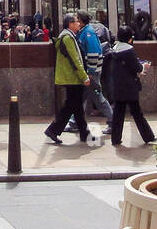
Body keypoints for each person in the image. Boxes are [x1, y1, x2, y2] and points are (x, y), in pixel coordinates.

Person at [43, 13, 92, 145]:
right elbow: (75, 59)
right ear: (70, 24)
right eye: (76, 21)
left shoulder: (68, 36)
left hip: (70, 77)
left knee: (76, 106)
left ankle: (84, 133)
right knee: (71, 105)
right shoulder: (67, 38)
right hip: (71, 78)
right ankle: (53, 130)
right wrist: (84, 76)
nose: (78, 23)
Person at [106, 26, 155, 146]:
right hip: (130, 87)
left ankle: (115, 139)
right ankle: (148, 136)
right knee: (137, 113)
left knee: (118, 114)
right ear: (129, 38)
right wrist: (143, 66)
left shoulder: (114, 50)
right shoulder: (129, 50)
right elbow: (136, 67)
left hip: (118, 86)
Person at [74, 8, 113, 125]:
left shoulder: (88, 33)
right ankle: (74, 121)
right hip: (91, 71)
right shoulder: (85, 32)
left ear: (80, 20)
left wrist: (90, 72)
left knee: (97, 97)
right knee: (88, 96)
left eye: (76, 19)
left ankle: (113, 120)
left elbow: (93, 52)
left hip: (92, 72)